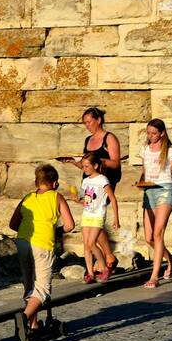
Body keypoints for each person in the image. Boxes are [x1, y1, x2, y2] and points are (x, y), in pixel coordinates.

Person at [9, 164, 76, 341]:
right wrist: (56, 231)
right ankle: (24, 318)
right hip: (43, 244)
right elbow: (70, 225)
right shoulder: (57, 197)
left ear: (36, 182)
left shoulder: (27, 198)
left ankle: (34, 326)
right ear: (55, 183)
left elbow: (13, 224)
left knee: (29, 283)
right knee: (43, 288)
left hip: (23, 241)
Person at [58, 107, 121, 274]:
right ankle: (108, 257)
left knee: (96, 217)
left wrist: (98, 160)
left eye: (89, 121)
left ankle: (107, 256)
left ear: (98, 120)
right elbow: (86, 164)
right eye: (85, 123)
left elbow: (115, 163)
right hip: (89, 183)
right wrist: (73, 161)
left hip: (104, 183)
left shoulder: (109, 138)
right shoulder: (88, 140)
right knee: (93, 218)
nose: (87, 125)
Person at [134, 119, 172, 287]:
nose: (150, 136)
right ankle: (171, 259)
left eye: (154, 133)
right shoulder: (145, 150)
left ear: (162, 133)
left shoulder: (170, 151)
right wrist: (140, 183)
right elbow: (145, 171)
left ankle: (154, 276)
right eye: (148, 133)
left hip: (165, 190)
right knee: (148, 237)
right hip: (149, 191)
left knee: (157, 234)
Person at [70, 153, 118, 282]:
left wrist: (116, 218)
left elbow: (112, 198)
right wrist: (77, 200)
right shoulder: (85, 181)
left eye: (86, 166)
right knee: (86, 245)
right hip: (87, 214)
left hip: (98, 215)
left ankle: (103, 267)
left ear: (95, 165)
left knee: (92, 243)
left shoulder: (102, 179)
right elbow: (87, 200)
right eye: (83, 166)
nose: (84, 169)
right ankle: (90, 272)